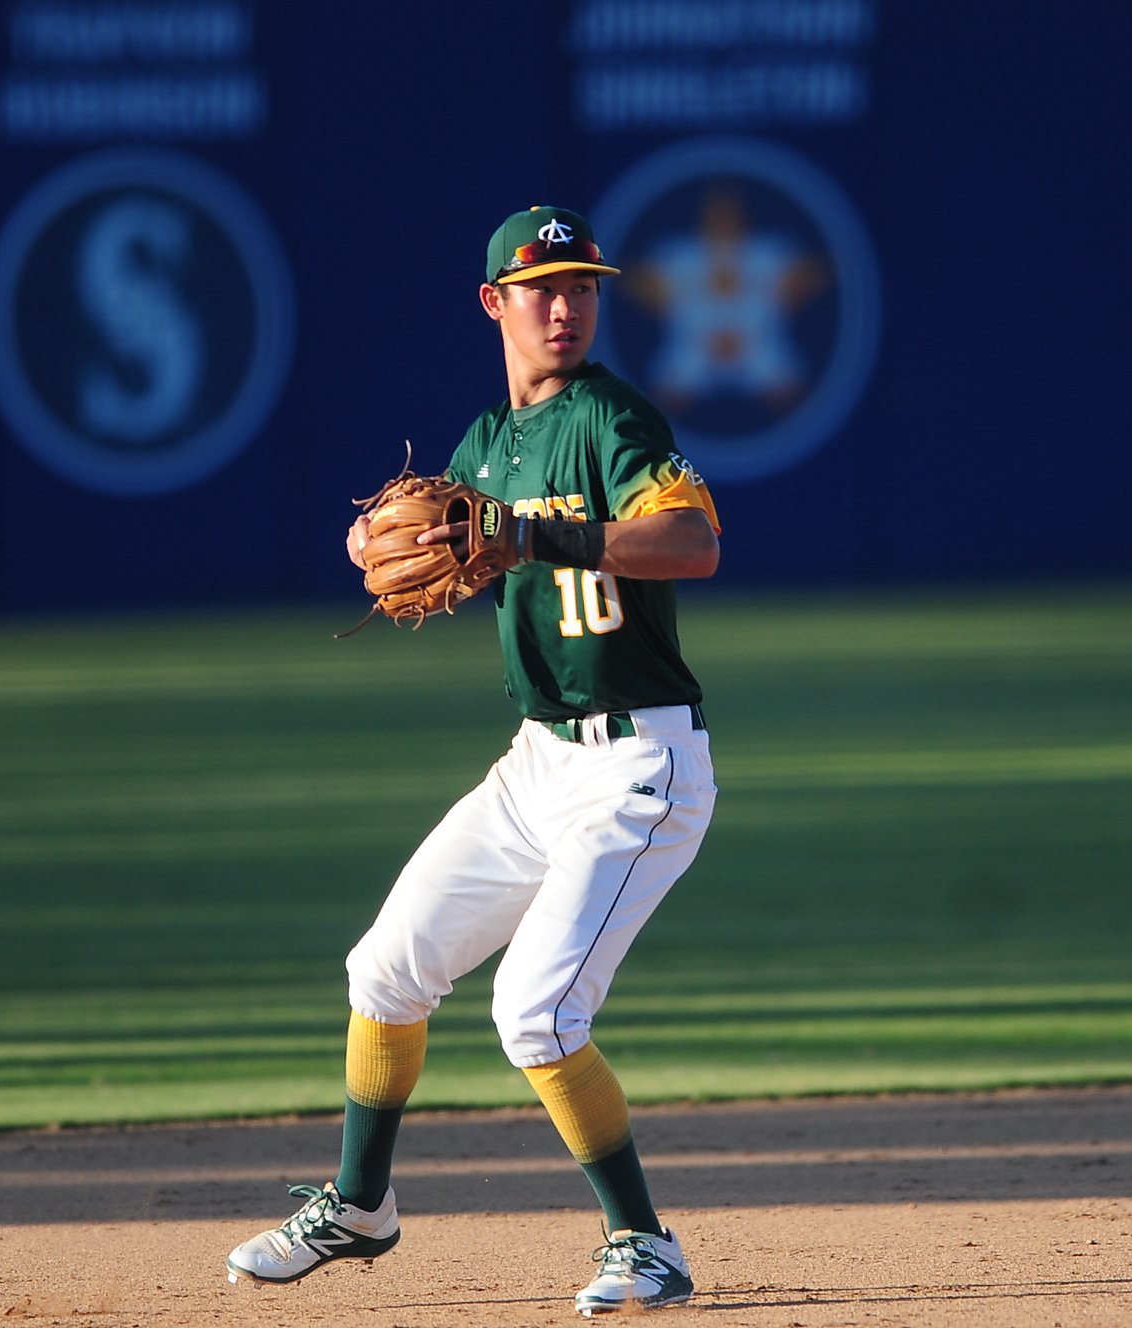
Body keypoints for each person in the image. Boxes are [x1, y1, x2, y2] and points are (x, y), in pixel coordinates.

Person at [226, 205, 721, 1318]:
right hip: (535, 765)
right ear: (493, 303)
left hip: (639, 767)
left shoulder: (612, 419)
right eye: (542, 287)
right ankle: (359, 1205)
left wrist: (536, 536)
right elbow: (449, 555)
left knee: (535, 1012)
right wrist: (382, 548)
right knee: (383, 969)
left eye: (583, 286)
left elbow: (692, 540)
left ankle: (646, 1242)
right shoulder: (485, 443)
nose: (566, 305)